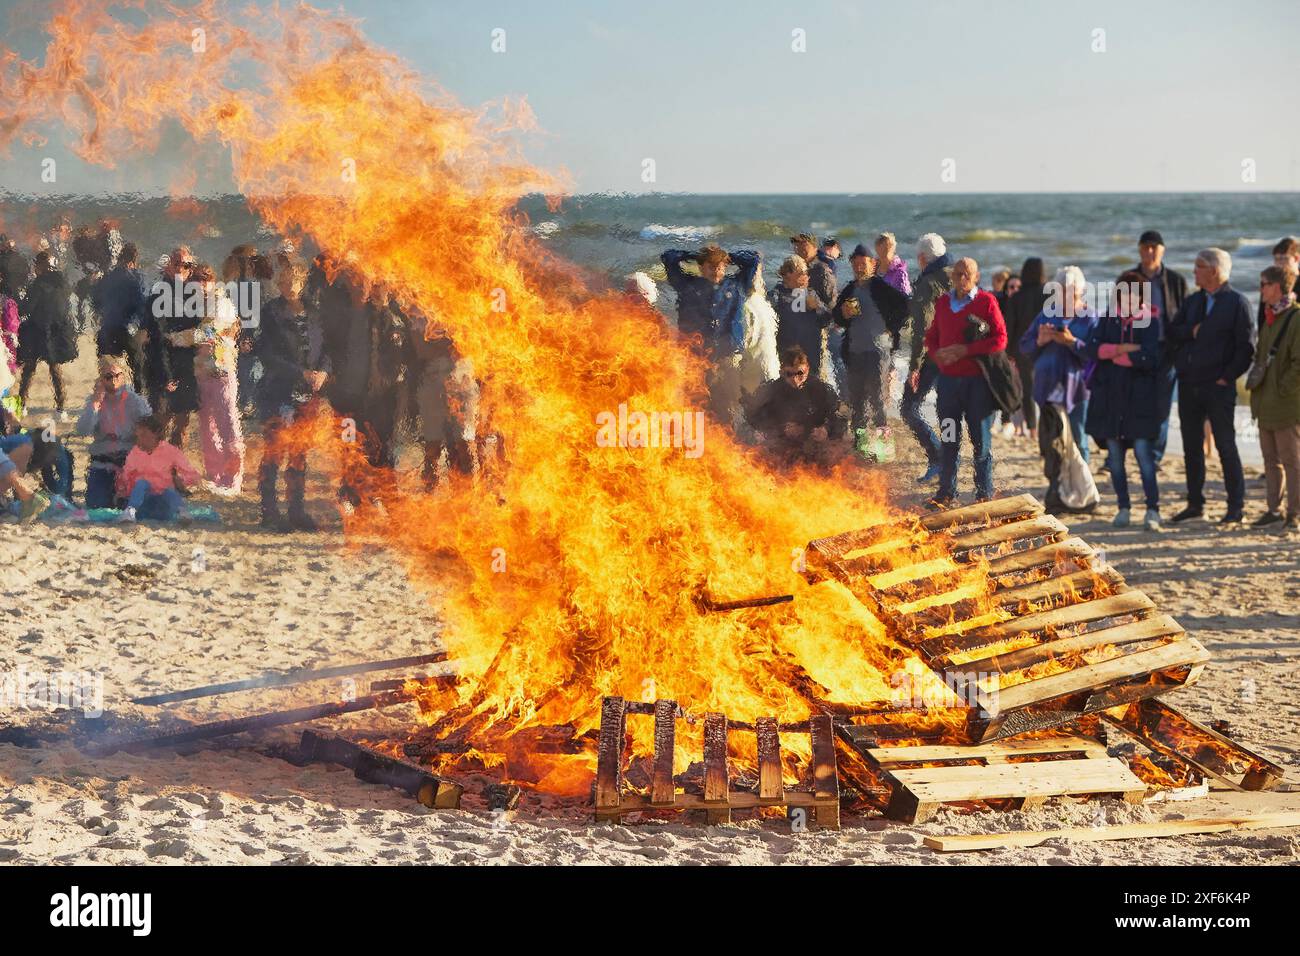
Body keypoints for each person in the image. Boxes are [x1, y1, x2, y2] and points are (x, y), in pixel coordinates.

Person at [1166, 248, 1254, 525]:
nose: (1194, 272)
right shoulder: (1193, 301)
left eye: (1199, 267)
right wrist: (1190, 334)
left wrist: (1227, 377)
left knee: (1226, 447)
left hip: (1218, 386)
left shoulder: (1237, 303)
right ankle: (1195, 504)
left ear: (1214, 271)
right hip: (1189, 383)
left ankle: (1235, 507)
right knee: (1191, 448)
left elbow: (1246, 348)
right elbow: (1172, 332)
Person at [1084, 273, 1166, 531]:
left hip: (1141, 402)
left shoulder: (1150, 321)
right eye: (1124, 292)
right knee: (1115, 459)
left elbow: (1152, 358)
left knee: (1144, 456)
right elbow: (1092, 349)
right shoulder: (1108, 319)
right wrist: (1123, 350)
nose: (1129, 297)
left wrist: (1117, 353)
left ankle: (1153, 510)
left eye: (1134, 292)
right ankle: (1124, 508)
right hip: (1110, 400)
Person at [923, 257, 1007, 506]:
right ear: (951, 276)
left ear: (976, 277)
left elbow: (1000, 340)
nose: (961, 278)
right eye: (958, 273)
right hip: (948, 384)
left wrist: (964, 351)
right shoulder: (943, 303)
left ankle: (984, 493)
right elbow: (932, 336)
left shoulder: (986, 302)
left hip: (977, 384)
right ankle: (946, 492)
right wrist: (938, 355)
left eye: (966, 274)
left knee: (980, 442)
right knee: (949, 437)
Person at [1017, 266, 1098, 514]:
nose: (1066, 295)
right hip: (1048, 387)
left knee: (1078, 438)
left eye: (1071, 291)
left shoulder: (1090, 317)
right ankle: (1057, 492)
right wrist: (1040, 340)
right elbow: (1024, 347)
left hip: (1077, 388)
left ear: (1081, 291)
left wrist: (1071, 342)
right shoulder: (1045, 315)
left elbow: (1095, 355)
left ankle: (1082, 493)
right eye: (1061, 290)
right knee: (1051, 441)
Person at [253, 261, 326, 530]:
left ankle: (297, 510)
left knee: (300, 452)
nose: (287, 285)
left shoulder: (316, 312)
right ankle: (269, 511)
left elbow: (328, 349)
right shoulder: (271, 312)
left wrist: (323, 373)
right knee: (275, 450)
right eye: (282, 281)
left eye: (292, 280)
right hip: (278, 391)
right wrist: (299, 372)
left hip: (309, 394)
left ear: (302, 280)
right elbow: (267, 354)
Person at [165, 264, 244, 495]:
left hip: (221, 372)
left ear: (212, 281)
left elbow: (207, 333)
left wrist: (176, 338)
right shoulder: (199, 304)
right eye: (196, 282)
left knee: (228, 425)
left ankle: (233, 480)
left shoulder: (222, 303)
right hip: (202, 373)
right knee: (207, 427)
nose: (200, 285)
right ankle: (215, 475)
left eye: (204, 280)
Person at [833, 244, 909, 458]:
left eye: (863, 263)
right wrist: (843, 314)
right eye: (855, 263)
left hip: (878, 352)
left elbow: (905, 307)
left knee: (876, 398)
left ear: (872, 264)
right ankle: (861, 443)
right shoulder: (849, 289)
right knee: (857, 399)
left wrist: (891, 328)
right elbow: (837, 317)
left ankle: (884, 446)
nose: (859, 267)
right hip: (855, 351)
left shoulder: (880, 287)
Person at [1248, 265, 1300, 531]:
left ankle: (1294, 514)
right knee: (1270, 461)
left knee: (1292, 462)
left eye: (1264, 284)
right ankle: (1273, 509)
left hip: (1287, 405)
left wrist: (1281, 389)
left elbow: (1298, 364)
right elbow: (1261, 357)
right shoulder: (1270, 317)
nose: (1261, 289)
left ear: (1278, 287)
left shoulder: (1295, 318)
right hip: (1265, 402)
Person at [1130, 230, 1188, 466]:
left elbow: (1185, 316)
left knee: (1162, 405)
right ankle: (1139, 449)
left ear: (1162, 250)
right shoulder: (1129, 279)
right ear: (1139, 249)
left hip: (1167, 349)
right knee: (1138, 402)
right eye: (1145, 247)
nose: (1150, 251)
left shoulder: (1175, 280)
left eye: (1154, 247)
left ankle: (1155, 455)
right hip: (1137, 347)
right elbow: (1116, 313)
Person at [902, 233, 952, 482]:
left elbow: (922, 329)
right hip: (957, 356)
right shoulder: (959, 276)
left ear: (922, 258)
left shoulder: (928, 283)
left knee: (908, 408)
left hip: (933, 357)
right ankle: (948, 465)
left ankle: (938, 459)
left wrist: (914, 367)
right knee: (948, 411)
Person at [744, 346, 847, 467]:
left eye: (800, 373)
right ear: (782, 372)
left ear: (807, 369)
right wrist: (780, 430)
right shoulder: (770, 391)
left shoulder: (822, 390)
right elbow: (754, 418)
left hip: (815, 447)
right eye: (789, 374)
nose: (795, 379)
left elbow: (840, 417)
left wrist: (826, 429)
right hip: (782, 448)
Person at [76, 354, 152, 509]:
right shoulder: (95, 401)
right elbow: (83, 430)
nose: (114, 380)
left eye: (118, 375)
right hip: (103, 463)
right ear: (101, 379)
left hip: (129, 462)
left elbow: (150, 432)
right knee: (97, 506)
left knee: (131, 506)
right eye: (108, 377)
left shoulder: (136, 401)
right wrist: (96, 403)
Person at [17, 252, 77, 422]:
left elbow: (27, 308)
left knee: (29, 369)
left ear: (41, 265)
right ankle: (61, 408)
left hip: (38, 330)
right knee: (55, 369)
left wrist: (18, 305)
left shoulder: (38, 284)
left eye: (36, 265)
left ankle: (22, 405)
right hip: (57, 330)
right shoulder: (63, 282)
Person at [116, 414, 199, 523]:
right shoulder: (135, 453)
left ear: (155, 434)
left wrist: (181, 481)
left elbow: (193, 475)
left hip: (164, 503)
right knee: (142, 483)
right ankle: (130, 512)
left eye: (144, 434)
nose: (140, 439)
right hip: (142, 503)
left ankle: (182, 513)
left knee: (170, 491)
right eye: (138, 435)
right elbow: (125, 477)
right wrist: (122, 489)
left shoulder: (170, 451)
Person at [1003, 257, 1050, 440]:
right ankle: (1047, 424)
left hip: (1022, 349)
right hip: (1046, 346)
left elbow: (1009, 326)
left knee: (1028, 390)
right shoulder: (1048, 295)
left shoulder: (1016, 298)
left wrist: (1008, 353)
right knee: (1047, 388)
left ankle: (1032, 429)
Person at [92, 242, 147, 392]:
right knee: (137, 367)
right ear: (133, 261)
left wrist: (102, 315)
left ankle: (110, 398)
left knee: (109, 369)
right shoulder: (135, 279)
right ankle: (138, 396)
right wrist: (138, 325)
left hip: (108, 328)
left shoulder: (107, 278)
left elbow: (95, 301)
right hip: (127, 328)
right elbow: (141, 305)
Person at [770, 255, 833, 382]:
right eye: (802, 273)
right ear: (788, 274)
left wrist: (817, 308)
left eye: (807, 273)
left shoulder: (811, 293)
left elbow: (827, 320)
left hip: (811, 356)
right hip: (788, 357)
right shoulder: (777, 295)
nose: (807, 276)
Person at [1259, 237, 1300, 332]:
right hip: (1273, 332)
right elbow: (1262, 316)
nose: (1280, 263)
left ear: (1296, 258)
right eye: (1276, 259)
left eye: (1284, 258)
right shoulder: (1269, 282)